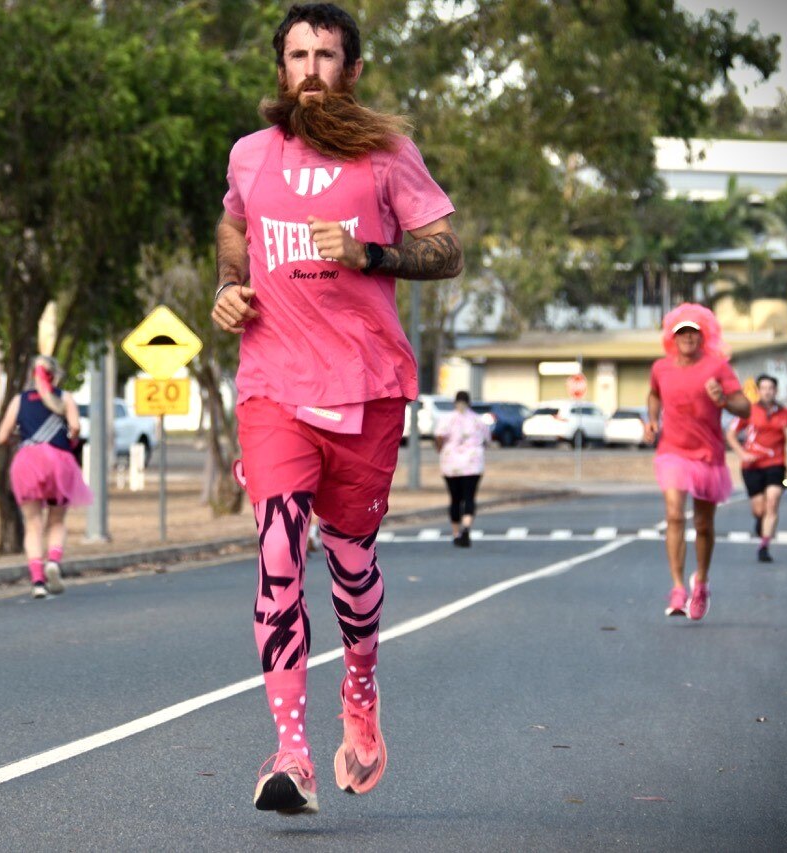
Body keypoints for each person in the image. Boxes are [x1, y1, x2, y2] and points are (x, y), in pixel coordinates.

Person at [211, 3, 462, 815]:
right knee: (280, 552)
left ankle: (361, 686)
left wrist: (370, 253)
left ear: (351, 69)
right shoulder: (252, 155)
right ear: (279, 67)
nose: (311, 69)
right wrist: (227, 286)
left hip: (366, 388)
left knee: (351, 566)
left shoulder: (388, 155)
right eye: (297, 55)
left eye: (326, 55)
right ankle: (291, 754)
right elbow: (232, 225)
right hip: (273, 384)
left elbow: (447, 248)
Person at [643, 304, 750, 621]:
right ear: (672, 338)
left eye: (693, 332)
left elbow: (744, 408)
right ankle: (677, 588)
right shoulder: (660, 368)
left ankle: (700, 582)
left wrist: (724, 399)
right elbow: (653, 394)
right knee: (674, 515)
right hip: (672, 450)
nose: (688, 337)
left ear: (703, 336)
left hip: (707, 454)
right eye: (682, 332)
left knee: (703, 524)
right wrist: (652, 421)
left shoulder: (717, 366)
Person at [0, 356, 92, 599]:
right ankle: (54, 562)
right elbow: (76, 428)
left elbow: (1, 437)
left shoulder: (19, 400)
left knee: (33, 524)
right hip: (59, 462)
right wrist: (68, 438)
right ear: (56, 376)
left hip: (28, 463)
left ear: (32, 375)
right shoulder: (65, 398)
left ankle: (37, 581)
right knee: (57, 521)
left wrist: (21, 440)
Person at [726, 374, 787, 563]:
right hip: (751, 465)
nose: (767, 391)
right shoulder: (748, 411)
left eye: (771, 388)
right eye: (764, 388)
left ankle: (764, 546)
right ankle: (760, 521)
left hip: (776, 464)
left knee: (773, 501)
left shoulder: (786, 413)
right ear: (759, 391)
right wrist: (742, 454)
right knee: (759, 509)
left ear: (775, 391)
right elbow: (730, 434)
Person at [435, 391, 490, 548]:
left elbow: (439, 437)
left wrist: (441, 450)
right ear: (470, 402)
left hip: (451, 464)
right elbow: (487, 440)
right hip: (473, 462)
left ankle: (456, 533)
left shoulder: (447, 419)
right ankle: (466, 526)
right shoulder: (478, 420)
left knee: (455, 499)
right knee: (469, 497)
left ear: (455, 402)